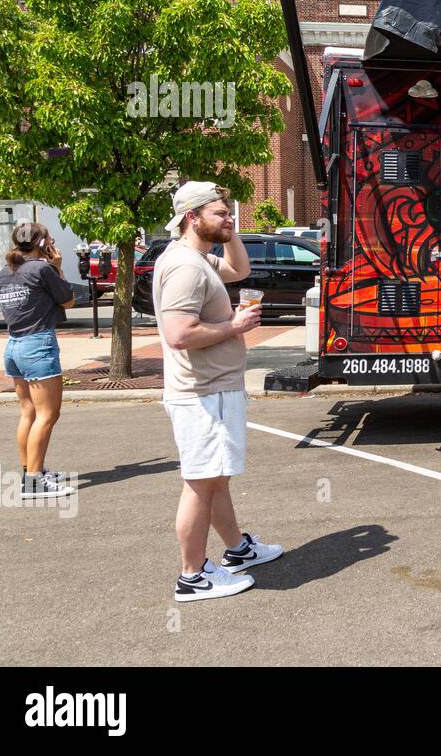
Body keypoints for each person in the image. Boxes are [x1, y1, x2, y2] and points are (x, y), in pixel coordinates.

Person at [155, 181, 284, 602]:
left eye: (230, 212)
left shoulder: (199, 257)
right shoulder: (186, 267)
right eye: (220, 213)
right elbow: (178, 334)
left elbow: (241, 271)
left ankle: (237, 551)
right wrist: (235, 327)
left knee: (217, 480)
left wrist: (230, 230)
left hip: (213, 389)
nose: (230, 218)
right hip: (202, 394)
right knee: (200, 483)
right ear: (192, 217)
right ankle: (191, 577)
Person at [0, 222, 76, 500]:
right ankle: (33, 480)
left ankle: (31, 470)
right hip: (38, 344)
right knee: (47, 415)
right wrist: (58, 266)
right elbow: (67, 300)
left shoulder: (5, 271)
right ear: (43, 244)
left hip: (14, 345)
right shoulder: (42, 269)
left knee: (28, 413)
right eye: (50, 239)